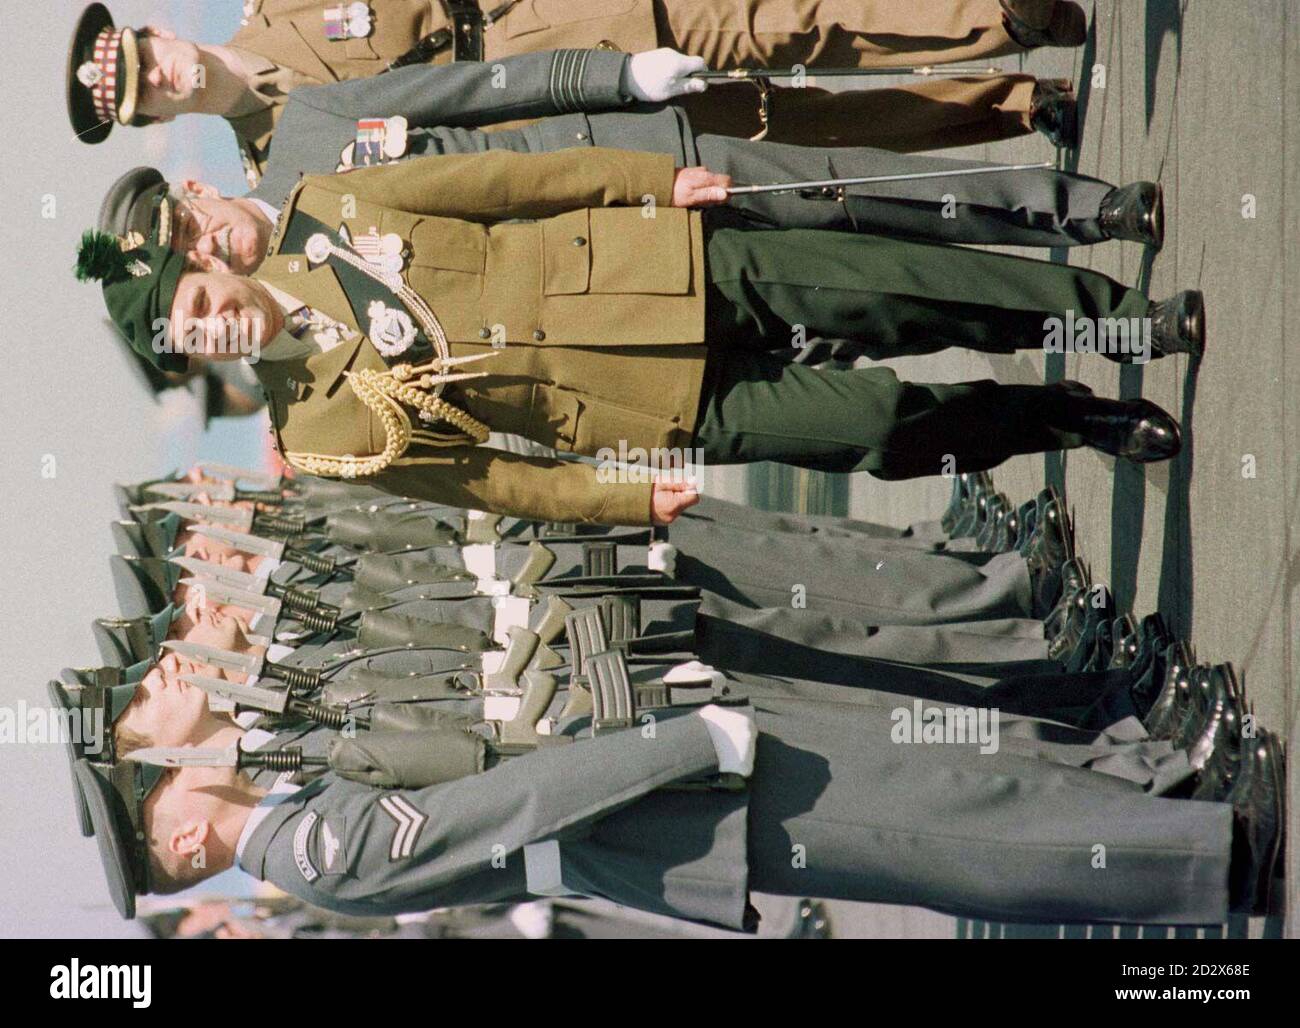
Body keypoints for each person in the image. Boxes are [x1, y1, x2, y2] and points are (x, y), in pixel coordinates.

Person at [82, 148, 1204, 526]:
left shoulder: (330, 209)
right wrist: (623, 496)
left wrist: (647, 179)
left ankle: (1119, 322)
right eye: (193, 345)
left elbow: (506, 181)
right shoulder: (320, 429)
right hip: (643, 411)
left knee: (902, 292)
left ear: (203, 265)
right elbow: (488, 484)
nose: (213, 327)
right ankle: (1063, 418)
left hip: (656, 269)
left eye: (193, 304)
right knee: (880, 427)